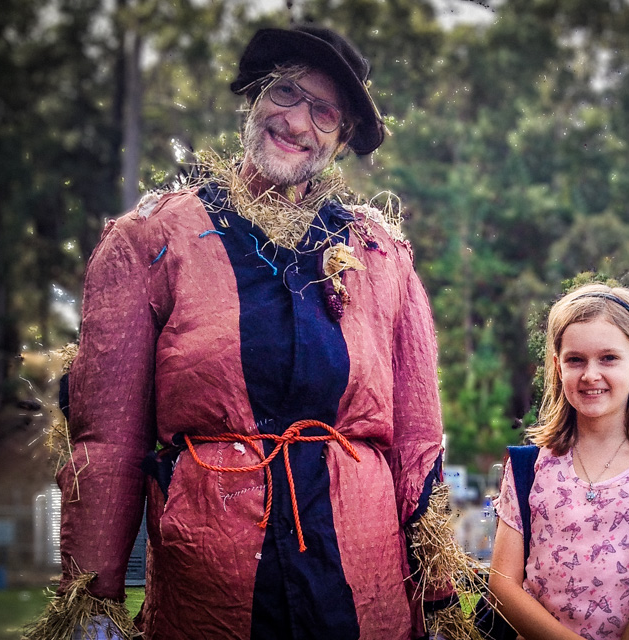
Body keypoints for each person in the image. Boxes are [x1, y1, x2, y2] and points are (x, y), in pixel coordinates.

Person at [27, 24, 450, 640]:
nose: (299, 123)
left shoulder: (382, 254)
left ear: (342, 138)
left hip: (365, 596)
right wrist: (92, 603)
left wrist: (438, 602)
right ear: (255, 95)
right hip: (210, 595)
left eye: (325, 112)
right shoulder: (150, 240)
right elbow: (107, 442)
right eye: (286, 93)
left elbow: (417, 440)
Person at [488, 284, 629, 640]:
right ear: (558, 367)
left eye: (608, 358)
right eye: (576, 360)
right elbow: (503, 583)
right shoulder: (530, 467)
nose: (590, 375)